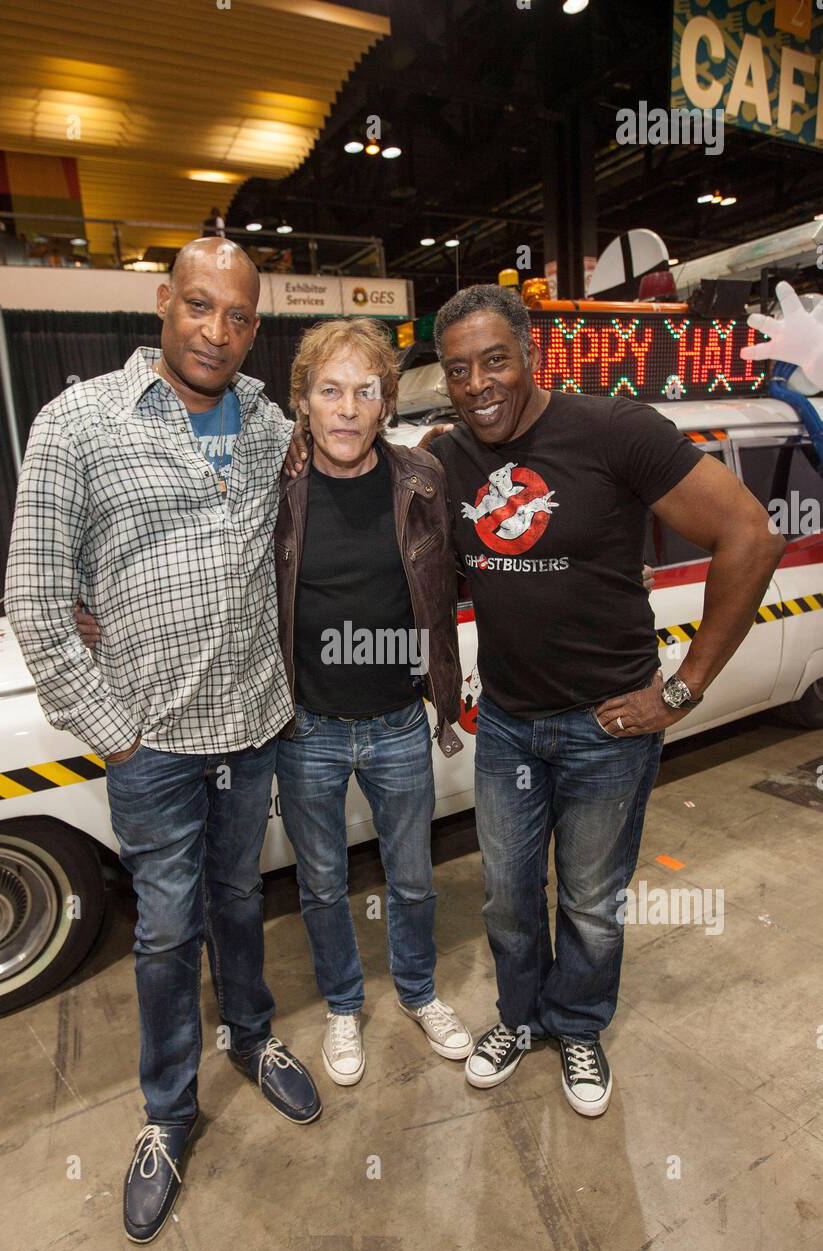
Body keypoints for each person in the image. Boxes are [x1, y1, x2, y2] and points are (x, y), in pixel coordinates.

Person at [5, 238, 318, 1245]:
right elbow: (37, 601)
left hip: (255, 724)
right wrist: (117, 734)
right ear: (161, 302)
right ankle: (168, 1114)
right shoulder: (79, 422)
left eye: (235, 316)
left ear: (254, 328)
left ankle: (254, 1037)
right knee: (163, 933)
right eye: (197, 306)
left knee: (240, 898)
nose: (214, 331)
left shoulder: (276, 426)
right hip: (154, 745)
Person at [422, 283, 784, 1115]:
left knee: (589, 901)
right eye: (458, 369)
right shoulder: (448, 457)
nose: (477, 383)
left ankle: (576, 1023)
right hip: (509, 722)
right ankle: (520, 1018)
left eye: (493, 360)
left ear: (530, 355)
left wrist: (682, 691)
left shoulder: (612, 429)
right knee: (509, 896)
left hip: (609, 728)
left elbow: (751, 535)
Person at [274, 319, 471, 1085]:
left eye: (364, 390)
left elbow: (468, 566)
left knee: (413, 876)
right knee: (320, 883)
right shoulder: (276, 491)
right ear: (304, 404)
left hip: (397, 724)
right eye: (330, 390)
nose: (347, 408)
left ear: (387, 401)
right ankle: (342, 1006)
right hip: (304, 731)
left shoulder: (422, 480)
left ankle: (419, 992)